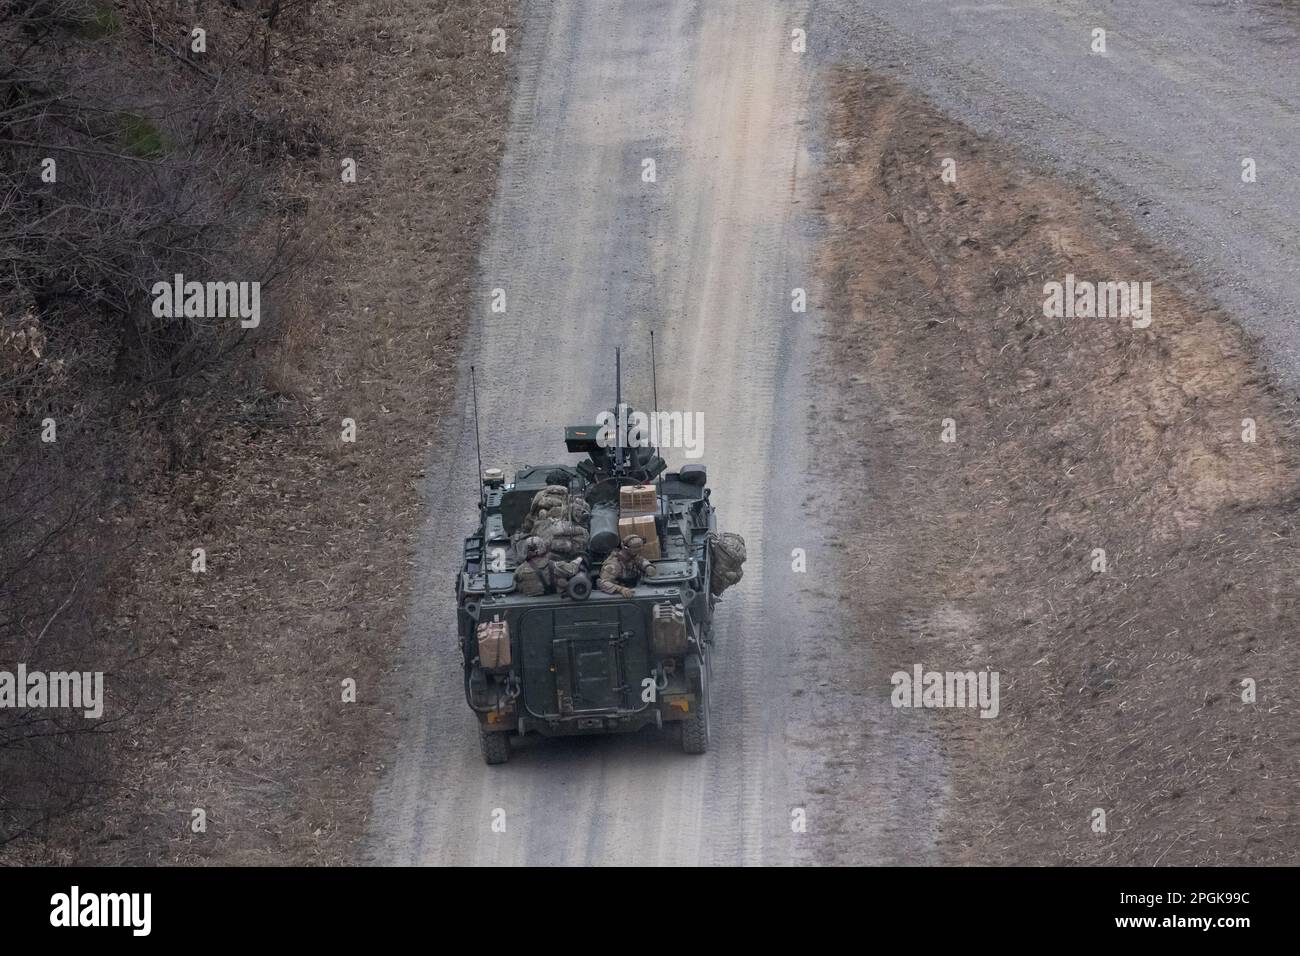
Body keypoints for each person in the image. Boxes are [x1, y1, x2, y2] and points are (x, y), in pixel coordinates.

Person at [513, 536, 582, 596]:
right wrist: (579, 559)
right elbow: (572, 570)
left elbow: (516, 583)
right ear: (542, 547)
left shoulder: (519, 570)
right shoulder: (554, 566)